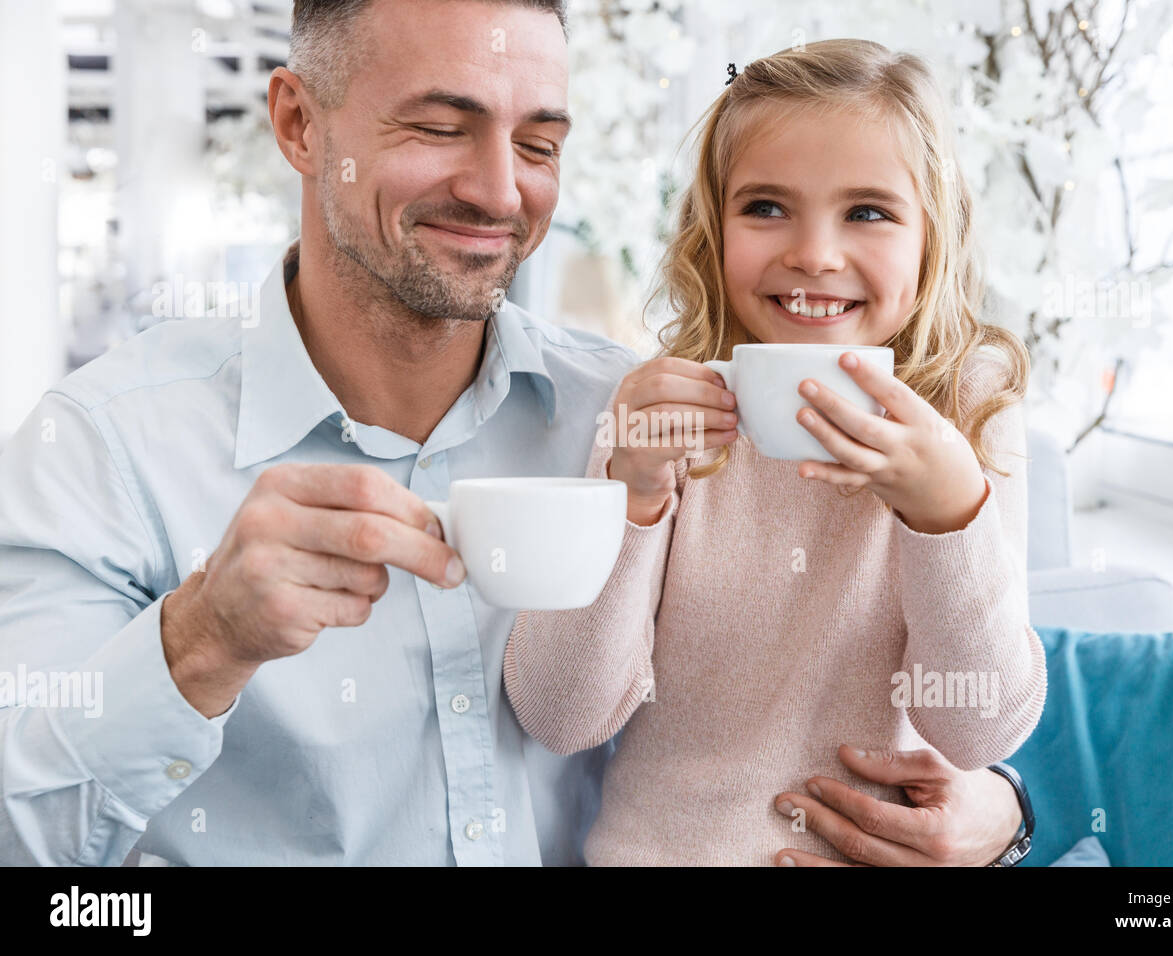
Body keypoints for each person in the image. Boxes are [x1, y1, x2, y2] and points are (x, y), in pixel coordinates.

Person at [0, 0, 1029, 866]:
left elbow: (962, 681)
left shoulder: (626, 403)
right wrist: (201, 642)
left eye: (538, 143)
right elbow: (22, 828)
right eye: (440, 128)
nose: (500, 191)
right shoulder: (105, 449)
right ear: (299, 122)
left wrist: (1005, 811)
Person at [504, 38, 1048, 865]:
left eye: (867, 211)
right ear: (712, 229)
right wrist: (631, 494)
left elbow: (979, 729)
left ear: (931, 234)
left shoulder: (971, 414)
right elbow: (561, 714)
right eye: (765, 207)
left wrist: (946, 513)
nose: (814, 254)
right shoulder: (661, 413)